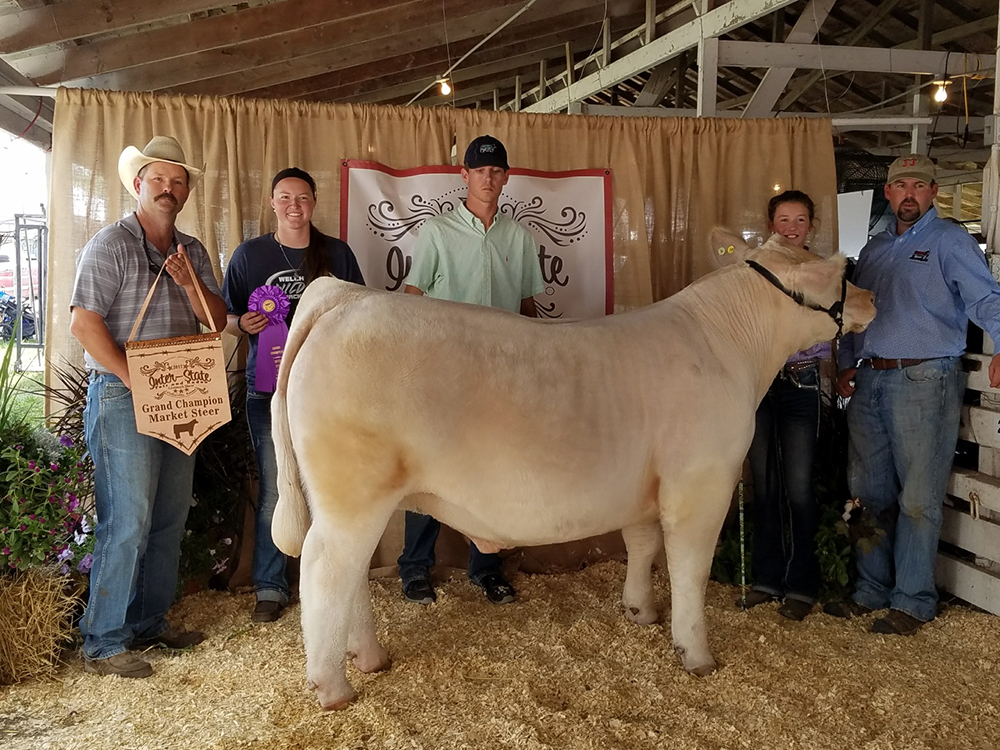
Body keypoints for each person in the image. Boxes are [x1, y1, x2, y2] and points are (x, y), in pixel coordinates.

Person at [70, 136, 228, 678]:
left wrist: (189, 285)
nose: (168, 188)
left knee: (168, 515)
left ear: (185, 192)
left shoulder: (194, 252)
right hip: (124, 395)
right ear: (138, 185)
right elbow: (84, 324)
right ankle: (103, 641)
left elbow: (217, 321)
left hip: (179, 393)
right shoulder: (111, 244)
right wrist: (133, 378)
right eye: (158, 178)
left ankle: (148, 623)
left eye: (178, 180)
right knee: (127, 519)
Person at [827, 153, 1000, 635]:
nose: (909, 194)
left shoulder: (949, 240)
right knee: (867, 492)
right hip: (870, 378)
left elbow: (985, 297)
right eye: (900, 185)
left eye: (918, 186)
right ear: (888, 192)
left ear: (933, 193)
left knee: (919, 497)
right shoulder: (876, 247)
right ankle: (870, 589)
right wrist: (845, 363)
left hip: (925, 377)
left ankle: (913, 599)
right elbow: (857, 311)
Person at [398, 134, 544, 606]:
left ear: (506, 176)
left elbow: (527, 309)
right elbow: (414, 298)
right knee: (429, 467)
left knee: (493, 468)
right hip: (443, 371)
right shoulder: (437, 232)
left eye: (496, 171)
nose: (488, 178)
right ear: (464, 176)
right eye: (479, 171)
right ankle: (415, 568)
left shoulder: (519, 238)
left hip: (501, 375)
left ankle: (486, 569)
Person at [222, 167, 365, 622]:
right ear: (272, 203)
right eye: (285, 198)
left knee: (327, 488)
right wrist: (242, 324)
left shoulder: (337, 255)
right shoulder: (250, 255)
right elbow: (224, 316)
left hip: (330, 395)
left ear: (314, 202)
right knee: (275, 488)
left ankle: (326, 579)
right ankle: (270, 585)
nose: (294, 207)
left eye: (302, 198)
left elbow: (360, 312)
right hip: (269, 393)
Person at [742, 190, 825, 621]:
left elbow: (838, 324)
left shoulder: (823, 271)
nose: (792, 228)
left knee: (798, 488)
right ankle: (766, 579)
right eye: (784, 220)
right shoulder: (755, 269)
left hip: (801, 382)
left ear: (812, 224)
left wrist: (844, 368)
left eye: (800, 220)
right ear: (770, 224)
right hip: (760, 383)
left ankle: (801, 585)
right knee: (766, 484)